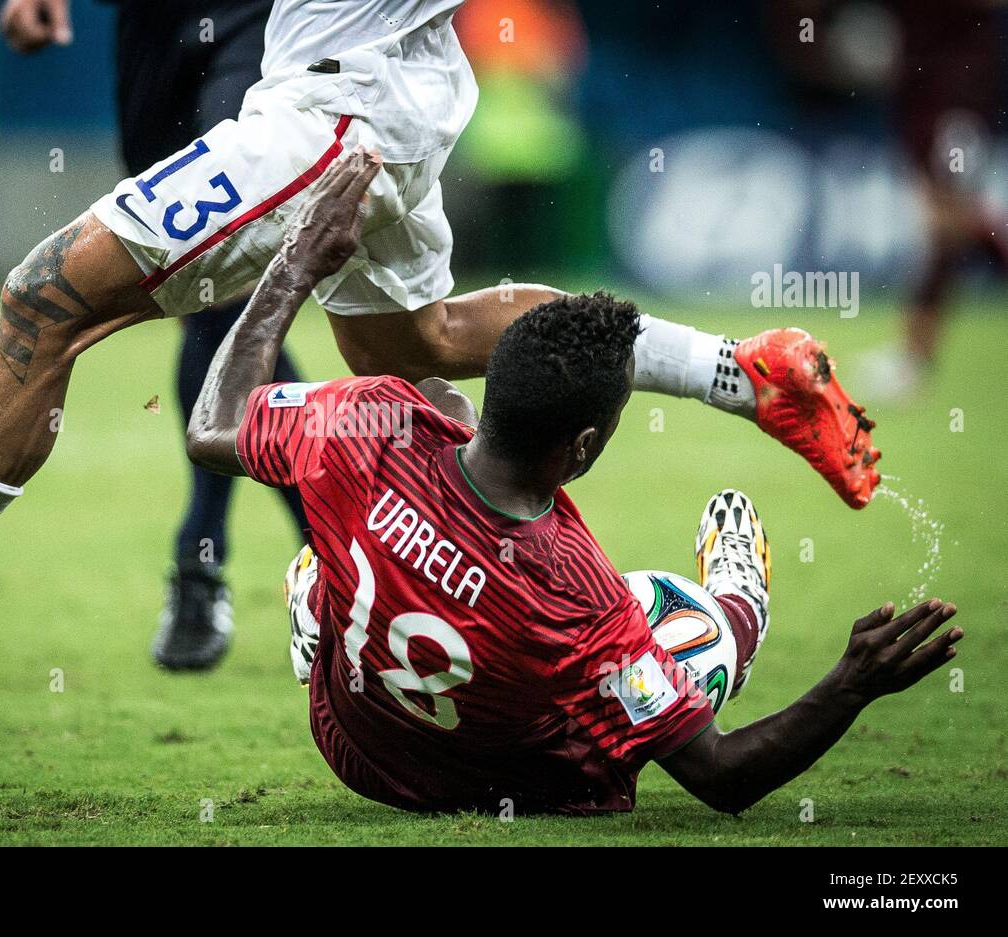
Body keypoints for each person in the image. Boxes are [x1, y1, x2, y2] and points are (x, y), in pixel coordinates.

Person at [0, 2, 879, 679]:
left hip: (332, 111)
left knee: (41, 300)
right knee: (408, 341)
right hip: (393, 86)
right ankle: (746, 373)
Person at [184, 149, 963, 814]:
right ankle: (739, 601)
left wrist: (294, 265)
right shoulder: (585, 598)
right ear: (584, 444)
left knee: (327, 549)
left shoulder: (366, 424)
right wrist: (851, 684)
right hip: (507, 784)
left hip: (354, 744)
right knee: (677, 617)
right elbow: (723, 775)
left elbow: (213, 427)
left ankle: (322, 615)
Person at [0, 0, 306, 671]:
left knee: (217, 266)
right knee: (207, 300)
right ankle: (338, 543)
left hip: (258, 21)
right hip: (151, 31)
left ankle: (202, 563)